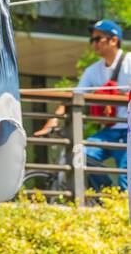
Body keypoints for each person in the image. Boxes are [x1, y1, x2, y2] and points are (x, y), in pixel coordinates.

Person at [37, 19, 129, 191]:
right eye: (91, 40)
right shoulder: (93, 70)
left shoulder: (129, 62)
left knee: (126, 177)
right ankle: (107, 194)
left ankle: (121, 205)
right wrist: (53, 121)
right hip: (109, 132)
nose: (93, 44)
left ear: (114, 40)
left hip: (128, 129)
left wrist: (120, 96)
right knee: (81, 155)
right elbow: (74, 97)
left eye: (97, 39)